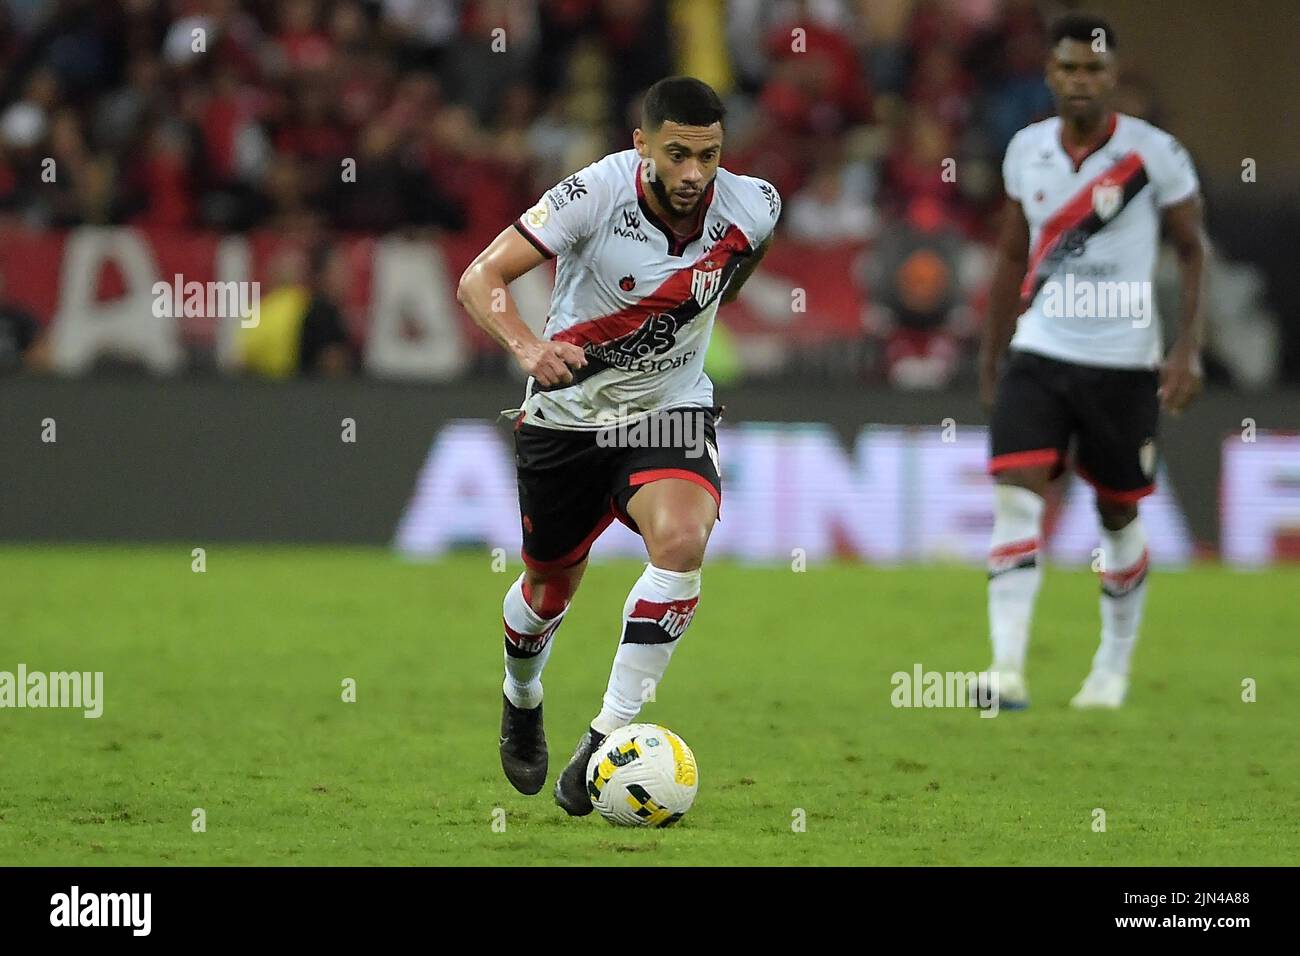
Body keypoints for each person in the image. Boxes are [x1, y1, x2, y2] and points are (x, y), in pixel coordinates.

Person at [456, 76, 779, 814]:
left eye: (709, 155)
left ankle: (606, 736)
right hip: (567, 422)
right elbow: (482, 278)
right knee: (547, 592)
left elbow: (738, 266)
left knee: (682, 540)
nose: (695, 173)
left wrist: (690, 331)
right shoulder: (594, 194)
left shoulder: (753, 205)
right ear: (642, 147)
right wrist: (528, 348)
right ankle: (522, 694)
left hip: (668, 413)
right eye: (677, 155)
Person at [976, 13, 1205, 710]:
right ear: (1051, 73)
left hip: (1125, 363)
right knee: (1016, 495)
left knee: (1116, 516)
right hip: (1042, 350)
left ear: (1113, 75)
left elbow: (1193, 248)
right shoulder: (1026, 150)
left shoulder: (1154, 155)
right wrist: (993, 355)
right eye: (1069, 69)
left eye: (1094, 70)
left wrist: (1187, 347)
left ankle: (1111, 666)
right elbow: (1014, 252)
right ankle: (1006, 672)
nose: (1081, 81)